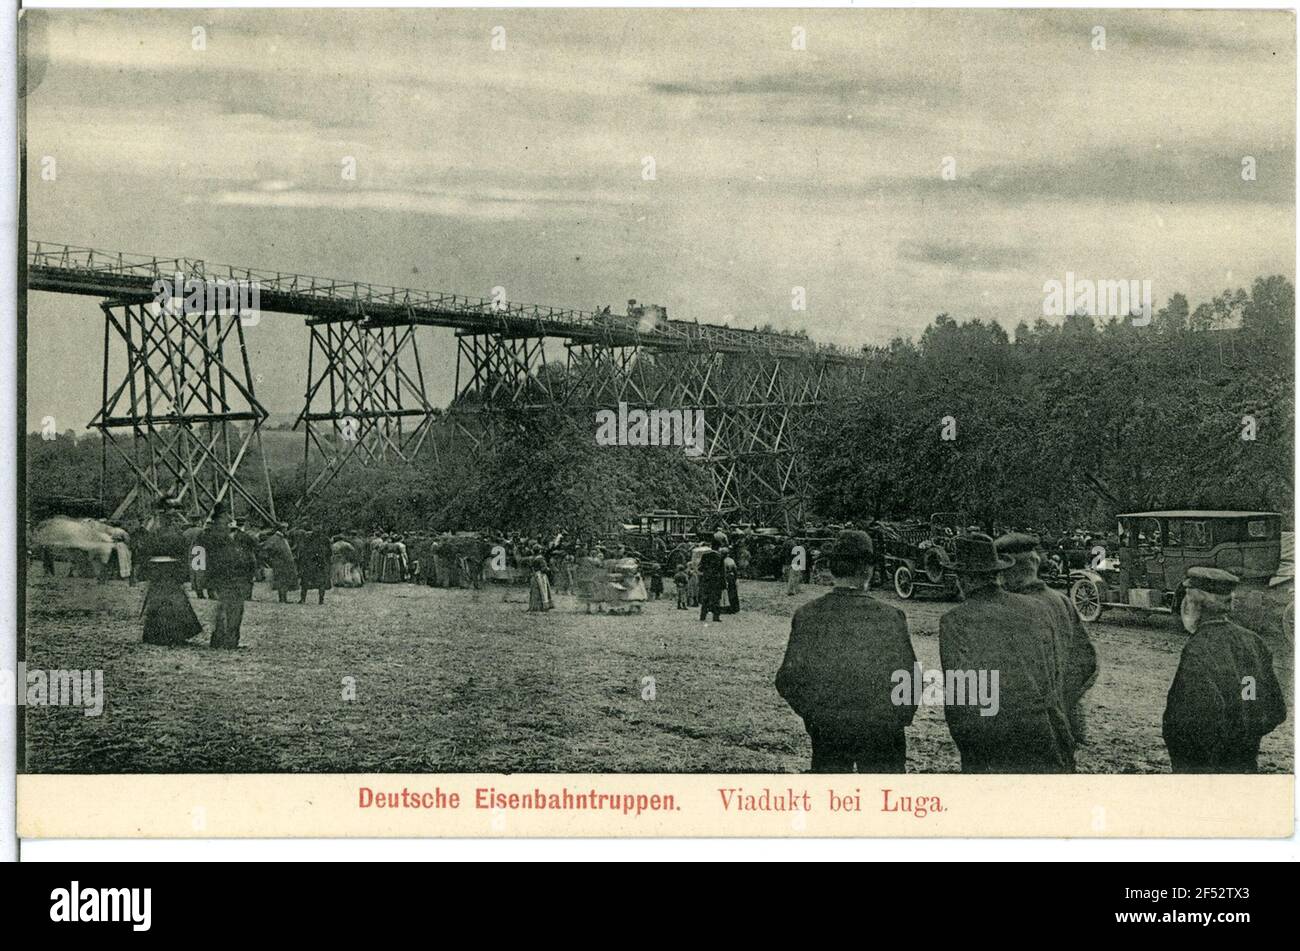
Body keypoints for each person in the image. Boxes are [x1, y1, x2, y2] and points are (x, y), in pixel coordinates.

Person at [776, 530, 917, 772]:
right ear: (869, 569)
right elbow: (910, 682)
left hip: (828, 733)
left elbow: (788, 680)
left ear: (830, 568)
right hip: (881, 733)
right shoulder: (891, 617)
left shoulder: (807, 615)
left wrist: (815, 717)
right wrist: (894, 720)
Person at [939, 533, 1075, 773]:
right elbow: (1054, 672)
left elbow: (959, 693)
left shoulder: (955, 620)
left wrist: (967, 747)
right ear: (997, 573)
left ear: (964, 579)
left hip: (993, 736)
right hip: (1044, 728)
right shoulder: (1037, 608)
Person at [1162, 567, 1287, 773]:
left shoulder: (1198, 648)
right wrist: (1247, 737)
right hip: (1246, 762)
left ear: (1193, 606)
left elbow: (1190, 718)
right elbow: (1275, 710)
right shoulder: (1253, 641)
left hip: (1208, 768)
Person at [996, 532, 1098, 741]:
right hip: (1063, 722)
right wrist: (1064, 699)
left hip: (1023, 727)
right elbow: (1087, 661)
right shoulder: (1061, 601)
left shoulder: (1008, 608)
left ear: (1006, 570)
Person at [138, 503, 203, 646]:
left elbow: (144, 552)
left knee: (157, 601)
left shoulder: (154, 534)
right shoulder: (177, 534)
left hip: (157, 571)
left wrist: (147, 570)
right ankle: (175, 634)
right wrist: (183, 573)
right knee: (176, 602)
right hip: (171, 571)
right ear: (171, 520)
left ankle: (154, 635)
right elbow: (183, 553)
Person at [210, 519, 257, 649]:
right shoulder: (240, 549)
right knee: (235, 612)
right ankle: (231, 642)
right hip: (236, 583)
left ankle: (217, 640)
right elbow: (250, 563)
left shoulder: (217, 545)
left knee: (221, 610)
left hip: (223, 582)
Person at [262, 523, 299, 603]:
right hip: (279, 563)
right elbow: (266, 549)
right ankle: (282, 599)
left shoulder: (282, 538)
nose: (286, 530)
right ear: (281, 529)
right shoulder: (275, 538)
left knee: (285, 580)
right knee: (281, 580)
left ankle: (284, 598)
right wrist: (271, 560)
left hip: (285, 563)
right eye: (285, 529)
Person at [698, 532, 726, 623]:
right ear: (718, 547)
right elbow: (722, 572)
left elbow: (700, 568)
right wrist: (723, 583)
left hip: (706, 579)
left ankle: (703, 616)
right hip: (716, 580)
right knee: (716, 599)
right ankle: (716, 617)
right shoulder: (720, 557)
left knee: (705, 597)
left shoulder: (705, 555)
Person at [723, 548, 740, 614]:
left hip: (726, 576)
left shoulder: (722, 560)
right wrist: (736, 577)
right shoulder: (731, 560)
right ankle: (734, 608)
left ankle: (727, 607)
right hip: (731, 577)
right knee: (733, 592)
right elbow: (735, 569)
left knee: (726, 593)